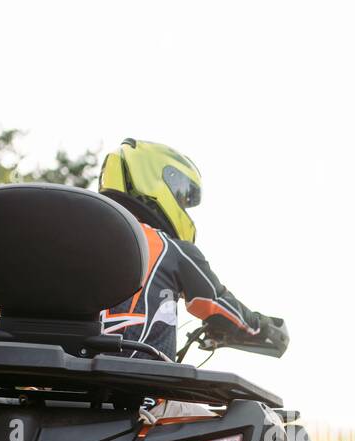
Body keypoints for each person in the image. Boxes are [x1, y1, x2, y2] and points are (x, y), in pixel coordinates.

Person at [97, 139, 285, 361]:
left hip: (65, 372)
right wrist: (263, 328)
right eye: (183, 198)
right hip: (136, 380)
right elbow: (216, 302)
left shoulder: (80, 235)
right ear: (156, 181)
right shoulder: (169, 248)